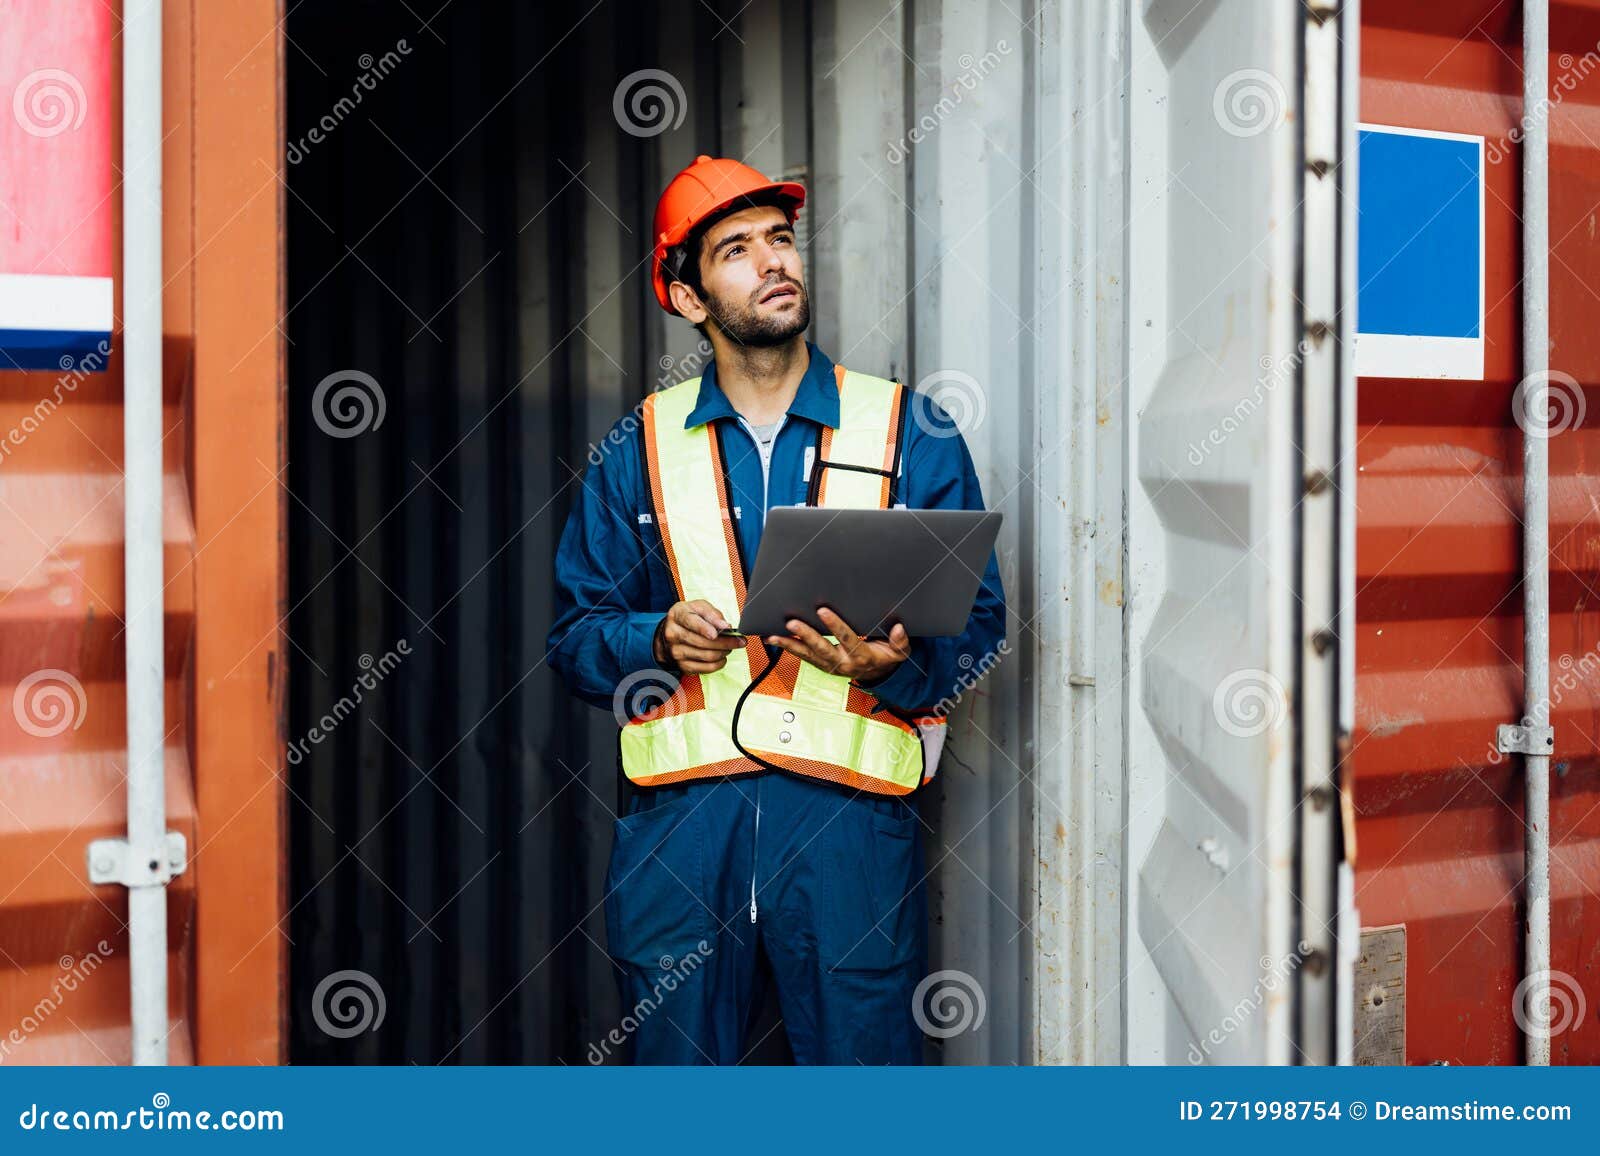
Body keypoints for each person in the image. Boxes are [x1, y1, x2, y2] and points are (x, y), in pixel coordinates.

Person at [547, 155, 1006, 1064]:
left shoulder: (911, 429)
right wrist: (654, 636)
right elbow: (575, 639)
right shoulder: (638, 445)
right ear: (686, 297)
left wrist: (894, 666)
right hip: (682, 837)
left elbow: (976, 628)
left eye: (782, 239)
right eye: (736, 250)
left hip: (846, 840)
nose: (772, 262)